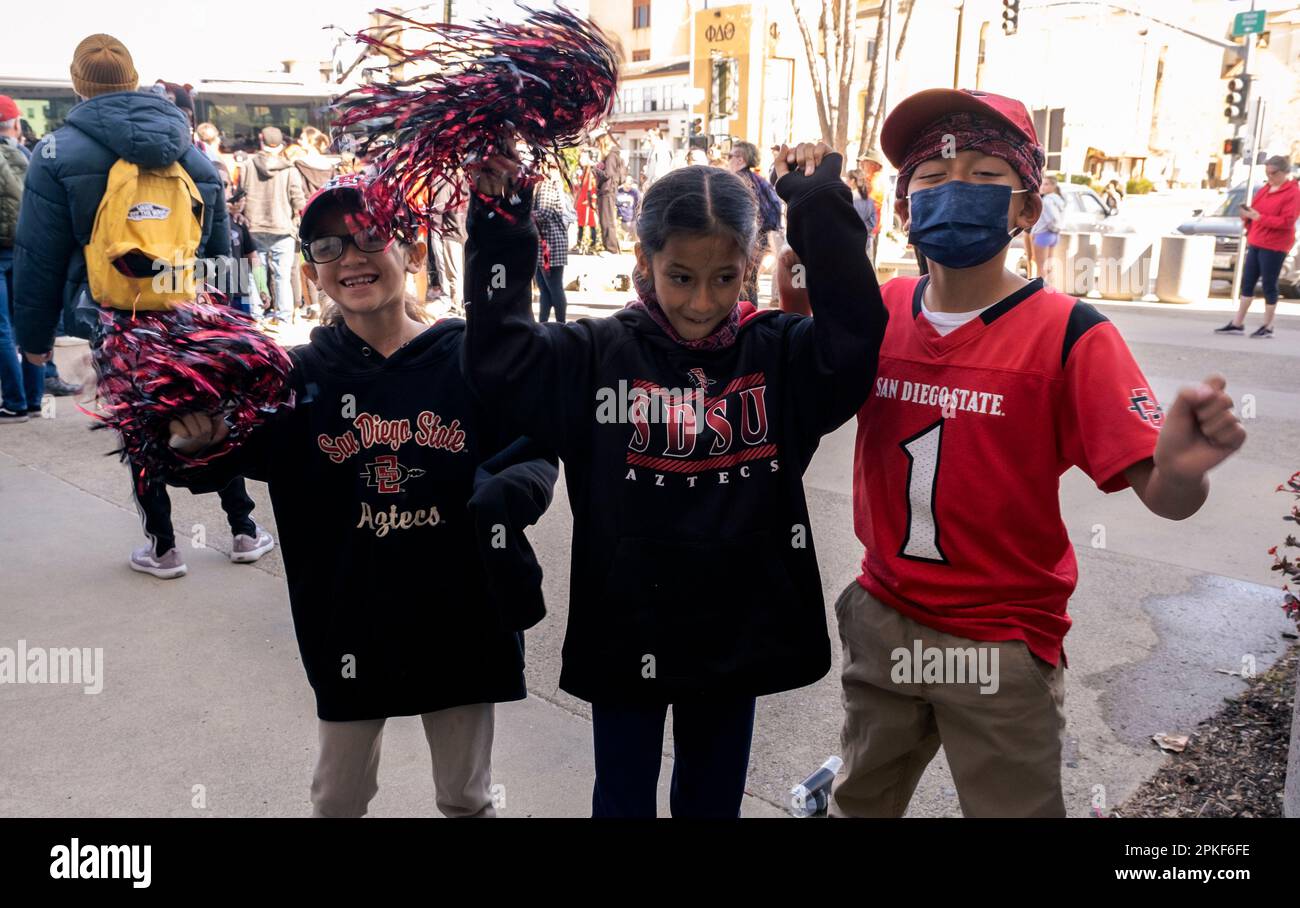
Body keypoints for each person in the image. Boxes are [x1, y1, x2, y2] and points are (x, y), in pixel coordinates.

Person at [781, 87, 1246, 818]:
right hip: (883, 616)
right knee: (861, 799)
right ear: (904, 208)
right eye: (931, 178)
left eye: (984, 174)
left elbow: (1162, 491)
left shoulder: (1072, 334)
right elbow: (798, 359)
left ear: (1028, 209)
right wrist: (807, 254)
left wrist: (1183, 470)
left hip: (1001, 638)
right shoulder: (881, 312)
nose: (954, 188)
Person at [463, 142, 886, 817]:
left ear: (748, 266)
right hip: (628, 628)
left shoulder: (778, 353)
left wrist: (820, 217)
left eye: (724, 277)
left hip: (734, 634)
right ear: (645, 263)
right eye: (681, 276)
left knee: (712, 802)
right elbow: (500, 363)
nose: (702, 301)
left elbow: (855, 342)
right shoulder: (598, 355)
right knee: (624, 800)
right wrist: (499, 222)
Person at [165, 173, 559, 817]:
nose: (350, 257)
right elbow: (226, 459)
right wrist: (196, 445)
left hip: (459, 611)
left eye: (372, 236)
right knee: (337, 795)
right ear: (313, 271)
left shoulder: (468, 360)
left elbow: (535, 445)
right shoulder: (293, 378)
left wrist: (510, 492)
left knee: (465, 794)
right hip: (349, 614)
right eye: (327, 247)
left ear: (412, 250)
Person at [13, 33, 272, 579]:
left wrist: (34, 341)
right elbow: (217, 250)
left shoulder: (57, 152)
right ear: (132, 78)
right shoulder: (192, 151)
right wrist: (223, 322)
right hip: (188, 307)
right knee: (208, 411)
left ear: (79, 83)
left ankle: (164, 547)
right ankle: (244, 531)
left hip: (111, 313)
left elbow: (38, 255)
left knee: (140, 424)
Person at [1216, 155, 1298, 339]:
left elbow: (1287, 221)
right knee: (1248, 281)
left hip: (1275, 244)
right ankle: (1238, 323)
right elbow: (1256, 210)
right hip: (1257, 239)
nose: (1269, 176)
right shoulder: (1265, 189)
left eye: (1273, 173)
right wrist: (1247, 215)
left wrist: (1258, 218)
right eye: (1267, 172)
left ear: (1285, 172)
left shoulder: (1292, 193)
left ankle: (1268, 326)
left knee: (1269, 283)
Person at [239, 126, 306, 327]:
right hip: (282, 227)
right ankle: (284, 317)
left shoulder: (248, 165)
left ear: (261, 140)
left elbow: (242, 193)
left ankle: (256, 315)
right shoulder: (289, 169)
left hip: (255, 226)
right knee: (282, 275)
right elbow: (298, 199)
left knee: (256, 274)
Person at [0, 94, 35, 423]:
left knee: (1, 328)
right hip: (23, 248)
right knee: (25, 323)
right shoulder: (26, 154)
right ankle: (35, 400)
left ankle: (14, 402)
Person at [727, 141, 783, 306]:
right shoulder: (760, 181)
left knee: (738, 282)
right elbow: (774, 209)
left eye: (730, 156)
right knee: (750, 282)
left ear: (741, 159)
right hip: (759, 238)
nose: (728, 159)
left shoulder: (736, 181)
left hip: (741, 238)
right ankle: (750, 318)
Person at [533, 162, 571, 323]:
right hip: (548, 243)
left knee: (553, 287)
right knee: (545, 288)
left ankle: (561, 324)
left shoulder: (547, 186)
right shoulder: (547, 185)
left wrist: (521, 215)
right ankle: (543, 323)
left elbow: (544, 213)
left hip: (550, 244)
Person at [592, 128, 626, 255]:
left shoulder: (611, 155)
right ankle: (609, 247)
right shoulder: (611, 155)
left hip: (608, 190)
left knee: (607, 220)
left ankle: (611, 248)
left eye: (597, 142)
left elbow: (608, 174)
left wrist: (595, 169)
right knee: (605, 219)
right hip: (606, 190)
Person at [1029, 174, 1066, 286]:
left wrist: (1053, 227)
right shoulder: (1060, 199)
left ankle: (1041, 293)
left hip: (1043, 234)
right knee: (1048, 266)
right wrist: (1057, 229)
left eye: (1046, 184)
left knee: (1040, 267)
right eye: (1042, 184)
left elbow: (1052, 218)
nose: (1043, 187)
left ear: (1054, 186)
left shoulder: (1047, 200)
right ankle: (1049, 290)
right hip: (1054, 235)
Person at [571, 149, 599, 255]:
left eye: (584, 157)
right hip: (581, 199)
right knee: (581, 224)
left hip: (587, 200)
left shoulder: (591, 170)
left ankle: (592, 245)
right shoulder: (581, 170)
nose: (581, 159)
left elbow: (592, 187)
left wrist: (592, 200)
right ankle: (579, 244)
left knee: (591, 224)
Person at [847, 169, 877, 235]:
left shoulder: (848, 198)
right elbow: (873, 223)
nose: (846, 182)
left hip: (850, 239)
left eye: (847, 180)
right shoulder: (870, 201)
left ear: (852, 181)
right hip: (865, 239)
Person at [615, 174, 640, 244]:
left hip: (631, 221)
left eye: (631, 182)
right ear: (624, 182)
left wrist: (636, 217)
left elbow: (638, 204)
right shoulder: (618, 191)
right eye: (628, 182)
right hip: (620, 220)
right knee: (622, 241)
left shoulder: (635, 192)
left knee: (633, 241)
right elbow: (614, 203)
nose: (630, 184)